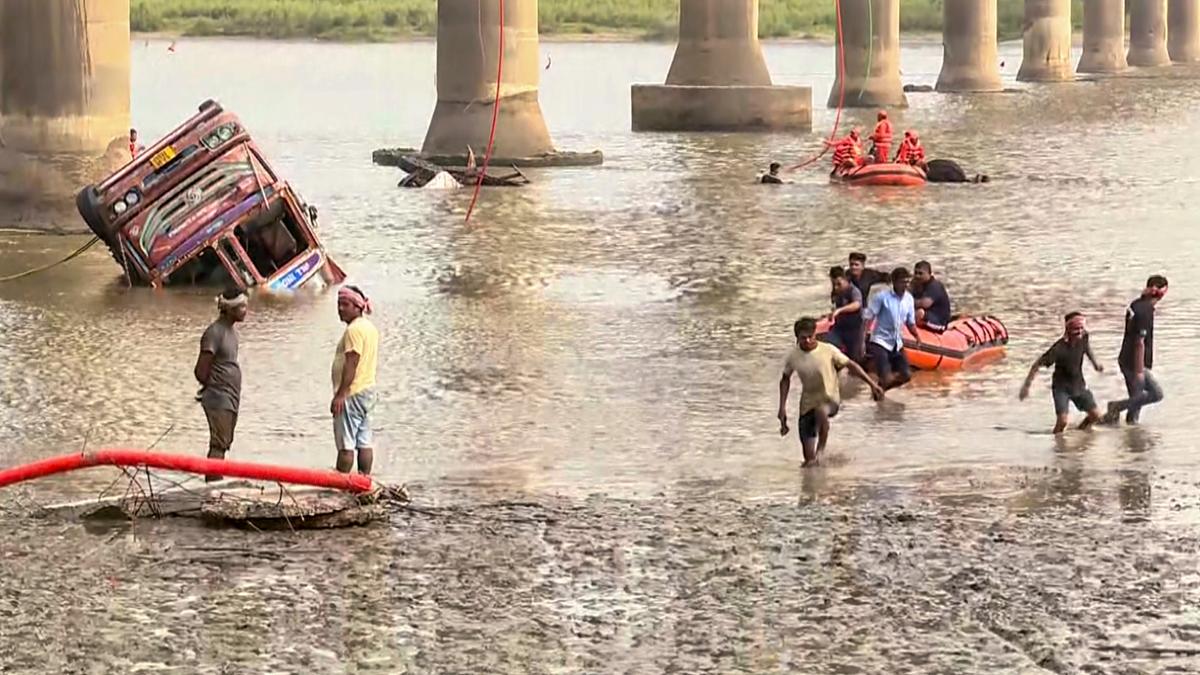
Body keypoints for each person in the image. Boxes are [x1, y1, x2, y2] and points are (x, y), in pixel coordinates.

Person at [778, 317, 883, 467]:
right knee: (809, 462)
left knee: (821, 410)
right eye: (803, 338)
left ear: (815, 335)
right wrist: (782, 408)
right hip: (807, 405)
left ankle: (822, 451)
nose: (807, 341)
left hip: (829, 399)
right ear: (797, 338)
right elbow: (785, 379)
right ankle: (817, 479)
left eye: (810, 337)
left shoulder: (828, 350)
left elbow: (851, 365)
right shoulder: (793, 356)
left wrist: (872, 384)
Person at [193, 288, 247, 482]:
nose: (245, 310)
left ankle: (215, 482)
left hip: (230, 395)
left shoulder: (232, 332)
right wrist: (214, 387)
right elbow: (200, 370)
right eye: (241, 306)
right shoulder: (214, 333)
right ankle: (212, 489)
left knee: (224, 443)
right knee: (218, 444)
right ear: (229, 309)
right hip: (219, 397)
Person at [1020, 312, 1104, 434]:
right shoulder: (1058, 348)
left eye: (1081, 328)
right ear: (1068, 329)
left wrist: (1095, 364)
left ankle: (1080, 431)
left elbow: (1087, 349)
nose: (1080, 332)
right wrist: (1026, 386)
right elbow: (1036, 365)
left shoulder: (1084, 337)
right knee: (1062, 421)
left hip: (1079, 385)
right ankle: (1057, 442)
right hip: (1061, 388)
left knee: (1096, 416)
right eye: (1076, 329)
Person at [1103, 275, 1168, 425]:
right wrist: (1139, 371)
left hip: (1127, 358)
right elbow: (1139, 342)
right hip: (1134, 363)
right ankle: (1116, 407)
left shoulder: (1137, 303)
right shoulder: (1145, 311)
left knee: (1136, 401)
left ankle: (1130, 434)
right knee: (1156, 394)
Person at [332, 285, 380, 474]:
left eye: (345, 304)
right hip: (368, 391)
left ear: (358, 307)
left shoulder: (354, 331)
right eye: (338, 304)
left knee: (346, 444)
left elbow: (352, 362)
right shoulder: (369, 328)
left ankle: (340, 484)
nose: (340, 309)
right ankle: (364, 481)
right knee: (364, 440)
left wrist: (341, 395)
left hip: (352, 392)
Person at [863, 267, 922, 391]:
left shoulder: (909, 299)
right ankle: (880, 395)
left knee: (907, 375)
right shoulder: (882, 297)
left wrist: (917, 336)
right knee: (886, 376)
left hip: (897, 343)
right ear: (894, 282)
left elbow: (910, 322)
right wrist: (863, 338)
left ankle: (880, 389)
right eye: (902, 282)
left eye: (907, 282)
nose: (905, 285)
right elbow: (869, 317)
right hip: (880, 341)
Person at [825, 266, 865, 363]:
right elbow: (834, 305)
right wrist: (832, 313)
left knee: (856, 358)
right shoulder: (835, 292)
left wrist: (840, 310)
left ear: (845, 279)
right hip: (840, 327)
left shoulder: (854, 291)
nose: (836, 287)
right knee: (829, 345)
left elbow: (857, 304)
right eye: (833, 284)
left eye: (839, 284)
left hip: (855, 328)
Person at [910, 261, 952, 330]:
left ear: (929, 274)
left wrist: (906, 301)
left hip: (938, 320)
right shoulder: (916, 284)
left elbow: (924, 304)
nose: (917, 276)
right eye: (916, 273)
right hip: (928, 315)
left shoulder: (935, 286)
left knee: (920, 312)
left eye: (920, 273)